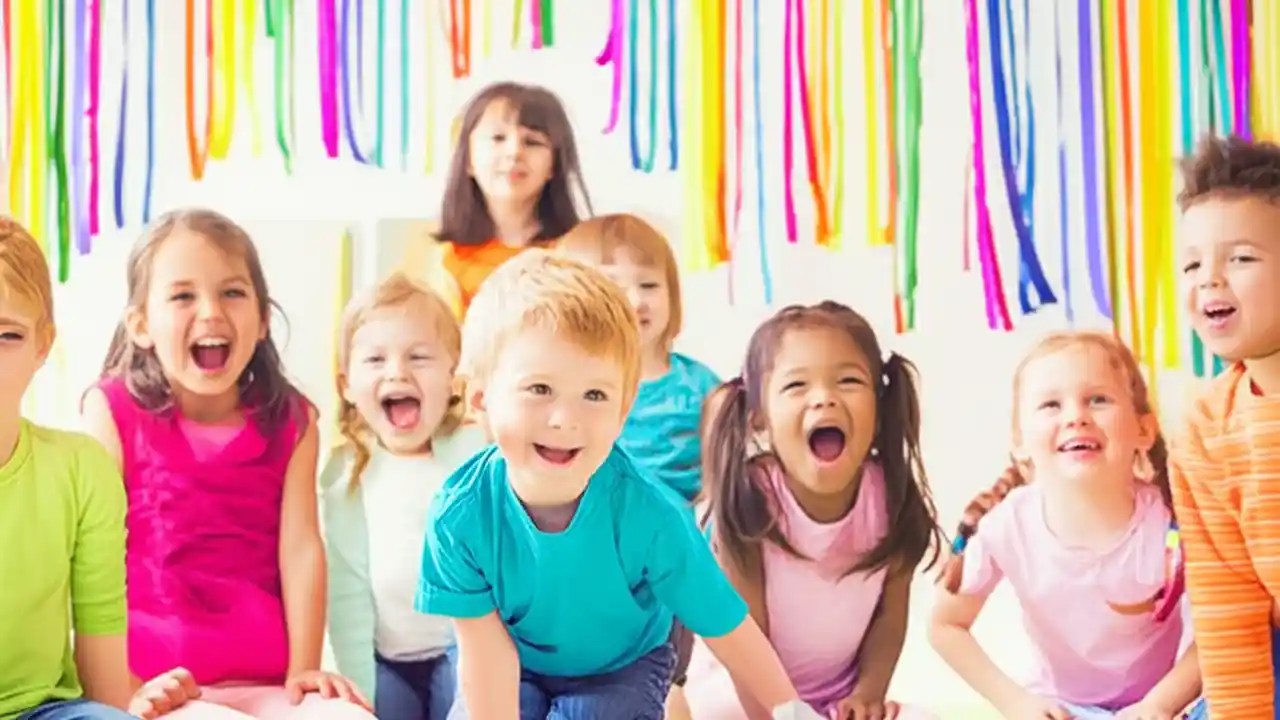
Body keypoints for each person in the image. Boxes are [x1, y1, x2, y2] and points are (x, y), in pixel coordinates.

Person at [415, 250, 826, 719]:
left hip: (621, 669)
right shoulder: (460, 515)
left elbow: (727, 628)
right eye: (539, 389)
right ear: (480, 398)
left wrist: (792, 713)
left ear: (623, 409)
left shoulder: (650, 516)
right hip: (516, 662)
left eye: (594, 395)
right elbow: (487, 656)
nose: (564, 419)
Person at [79, 209, 373, 719]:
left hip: (267, 682)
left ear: (262, 319)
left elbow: (301, 548)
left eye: (232, 292)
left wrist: (303, 669)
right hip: (159, 685)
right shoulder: (112, 412)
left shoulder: (293, 422)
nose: (211, 312)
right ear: (141, 325)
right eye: (183, 295)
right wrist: (122, 689)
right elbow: (88, 559)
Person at [682, 301, 943, 719]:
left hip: (837, 696)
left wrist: (868, 693)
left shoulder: (890, 497)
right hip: (741, 689)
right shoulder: (747, 503)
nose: (824, 399)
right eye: (796, 386)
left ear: (878, 410)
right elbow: (743, 642)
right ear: (758, 418)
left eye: (848, 381)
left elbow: (890, 619)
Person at [930, 331, 1204, 719]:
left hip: (1165, 705)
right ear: (1019, 442)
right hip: (1061, 709)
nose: (1076, 416)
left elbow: (1219, 631)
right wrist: (1016, 703)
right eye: (1051, 405)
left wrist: (1160, 704)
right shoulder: (1008, 527)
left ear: (1143, 429)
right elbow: (945, 625)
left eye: (1098, 399)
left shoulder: (1172, 521)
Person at [0, 217, 199, 720]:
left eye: (7, 335)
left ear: (43, 345)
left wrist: (131, 707)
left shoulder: (81, 472)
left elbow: (104, 683)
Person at [322, 272, 486, 719]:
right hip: (384, 661)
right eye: (375, 359)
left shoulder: (474, 454)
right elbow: (346, 591)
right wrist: (358, 689)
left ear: (454, 377)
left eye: (419, 357)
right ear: (347, 387)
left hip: (461, 649)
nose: (397, 371)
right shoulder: (345, 475)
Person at [1170, 133, 1280, 718]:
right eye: (1191, 263)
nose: (1208, 280)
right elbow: (1227, 601)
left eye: (1239, 258)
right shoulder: (1204, 429)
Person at [557, 213, 720, 504]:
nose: (635, 301)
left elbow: (726, 473)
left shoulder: (702, 386)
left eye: (649, 285)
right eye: (614, 287)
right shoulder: (566, 391)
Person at [405, 81, 592, 318]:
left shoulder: (578, 256)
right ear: (468, 160)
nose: (514, 152)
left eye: (532, 142)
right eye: (497, 138)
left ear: (554, 165)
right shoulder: (438, 257)